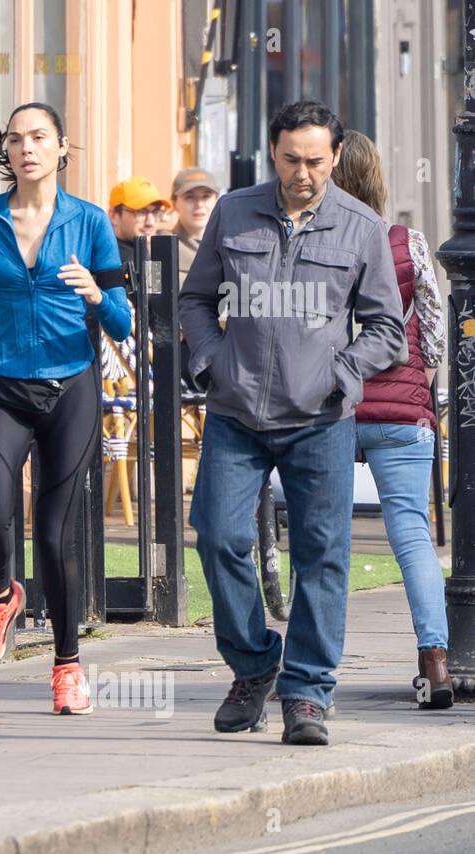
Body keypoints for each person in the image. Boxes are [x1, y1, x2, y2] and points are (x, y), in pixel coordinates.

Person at [180, 101, 407, 745]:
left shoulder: (361, 227)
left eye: (315, 160)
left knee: (323, 556)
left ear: (335, 156)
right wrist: (210, 360)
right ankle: (253, 666)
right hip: (236, 411)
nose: (302, 173)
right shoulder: (234, 210)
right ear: (270, 153)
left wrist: (340, 372)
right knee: (219, 539)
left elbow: (387, 328)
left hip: (320, 419)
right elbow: (197, 299)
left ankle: (306, 692)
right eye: (290, 159)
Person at [0, 102, 132, 715]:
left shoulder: (90, 222)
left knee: (53, 536)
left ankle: (68, 666)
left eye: (39, 137)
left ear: (61, 147)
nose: (27, 148)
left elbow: (124, 323)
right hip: (2, 385)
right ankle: (0, 597)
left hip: (70, 388)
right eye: (17, 139)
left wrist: (99, 295)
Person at [331, 130, 452, 709]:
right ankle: (435, 662)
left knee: (320, 536)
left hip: (332, 406)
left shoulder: (320, 244)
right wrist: (420, 392)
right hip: (404, 411)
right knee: (411, 537)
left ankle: (311, 668)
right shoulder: (408, 242)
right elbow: (431, 331)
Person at [168, 166, 221, 285]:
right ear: (174, 203)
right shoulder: (163, 249)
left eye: (206, 196)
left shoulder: (229, 245)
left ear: (216, 201)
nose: (199, 204)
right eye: (190, 197)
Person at [107, 176, 171, 266]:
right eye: (141, 212)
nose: (150, 222)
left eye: (156, 212)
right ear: (113, 215)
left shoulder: (148, 251)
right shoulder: (106, 260)